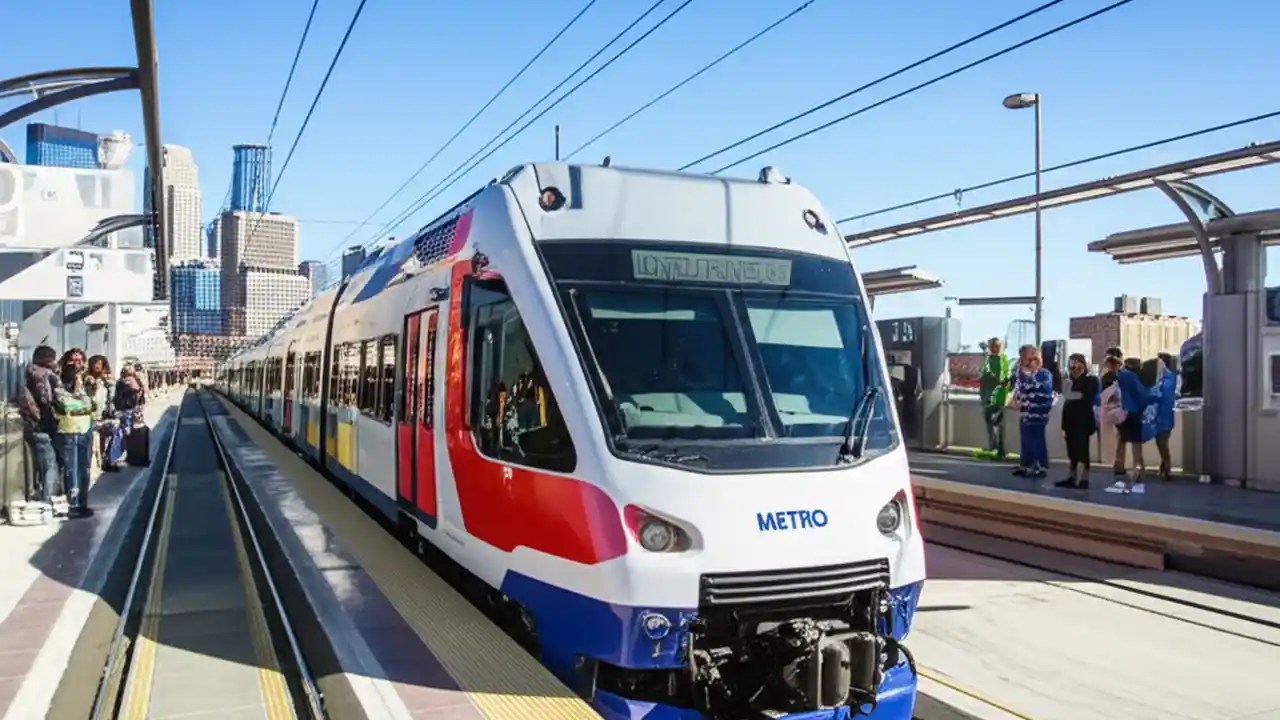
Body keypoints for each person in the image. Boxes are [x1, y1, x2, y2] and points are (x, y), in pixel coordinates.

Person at [17, 345, 62, 509]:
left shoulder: (31, 374)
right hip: (41, 425)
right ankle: (48, 501)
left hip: (34, 425)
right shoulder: (41, 376)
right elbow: (46, 400)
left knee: (43, 465)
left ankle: (46, 497)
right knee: (49, 464)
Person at [53, 356, 95, 518]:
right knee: (72, 469)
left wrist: (80, 398)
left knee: (84, 469)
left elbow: (91, 405)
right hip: (68, 433)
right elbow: (68, 405)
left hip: (85, 431)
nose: (77, 379)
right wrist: (80, 402)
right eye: (75, 375)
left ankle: (82, 503)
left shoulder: (84, 391)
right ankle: (74, 505)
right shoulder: (59, 391)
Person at [1106, 357, 1149, 494]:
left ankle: (1118, 468)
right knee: (1136, 444)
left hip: (1119, 414)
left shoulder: (1110, 378)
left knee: (1121, 441)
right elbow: (1142, 395)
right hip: (1133, 412)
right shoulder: (1131, 377)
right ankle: (1138, 471)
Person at [1057, 353, 1098, 489]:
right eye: (1072, 367)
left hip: (1083, 420)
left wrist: (1071, 394)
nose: (1074, 370)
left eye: (1078, 366)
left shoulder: (1090, 380)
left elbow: (1081, 396)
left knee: (1082, 450)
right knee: (1072, 451)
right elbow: (1065, 395)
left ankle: (1084, 478)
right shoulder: (1069, 381)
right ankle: (1072, 476)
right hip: (1069, 420)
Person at [1012, 345, 1054, 478]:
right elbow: (1019, 391)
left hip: (1038, 415)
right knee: (1026, 441)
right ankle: (1026, 465)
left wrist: (1026, 376)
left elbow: (1037, 389)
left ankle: (1041, 467)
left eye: (1024, 357)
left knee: (1037, 441)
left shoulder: (1044, 374)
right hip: (1025, 414)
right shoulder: (1021, 375)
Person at [978, 338, 1011, 459]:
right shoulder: (988, 360)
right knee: (991, 424)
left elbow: (1004, 378)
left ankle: (999, 449)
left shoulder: (1002, 360)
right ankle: (994, 447)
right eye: (993, 346)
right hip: (987, 397)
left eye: (997, 346)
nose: (994, 349)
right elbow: (983, 377)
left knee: (998, 424)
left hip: (998, 397)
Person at [1154, 352, 1178, 482]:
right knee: (1161, 443)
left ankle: (1166, 468)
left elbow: (1162, 394)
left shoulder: (1167, 378)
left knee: (1162, 443)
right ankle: (1164, 467)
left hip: (1164, 416)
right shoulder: (1164, 377)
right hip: (1161, 416)